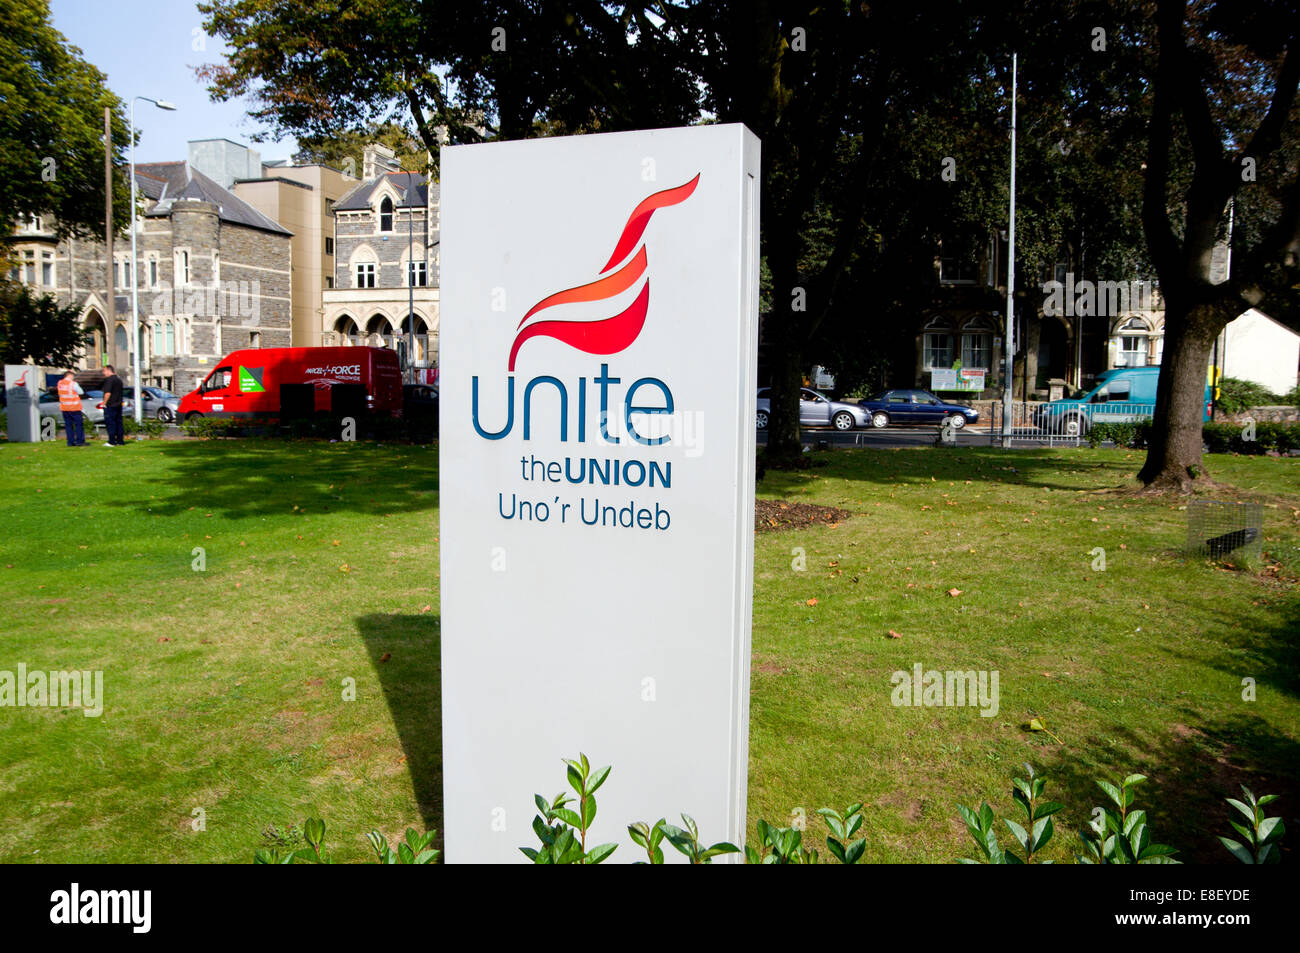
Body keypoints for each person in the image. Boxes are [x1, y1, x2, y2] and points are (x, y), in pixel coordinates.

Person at [56, 370, 85, 447]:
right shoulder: (73, 384)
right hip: (74, 408)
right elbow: (81, 392)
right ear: (70, 375)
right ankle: (80, 441)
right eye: (73, 376)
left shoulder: (60, 383)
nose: (73, 378)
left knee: (68, 426)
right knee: (78, 425)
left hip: (65, 408)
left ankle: (70, 442)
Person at [101, 364, 125, 447]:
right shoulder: (119, 380)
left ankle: (111, 441)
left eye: (104, 371)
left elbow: (107, 393)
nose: (103, 373)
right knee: (119, 423)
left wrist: (104, 403)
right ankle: (120, 440)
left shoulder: (109, 380)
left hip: (110, 404)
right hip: (118, 404)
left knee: (110, 423)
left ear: (108, 370)